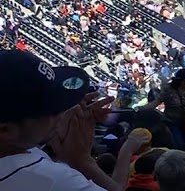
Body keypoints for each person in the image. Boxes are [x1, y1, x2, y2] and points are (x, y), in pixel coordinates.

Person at [0, 50, 129, 191]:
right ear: (5, 130)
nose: (62, 113)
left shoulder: (20, 150)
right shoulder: (54, 180)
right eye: (52, 110)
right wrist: (84, 162)